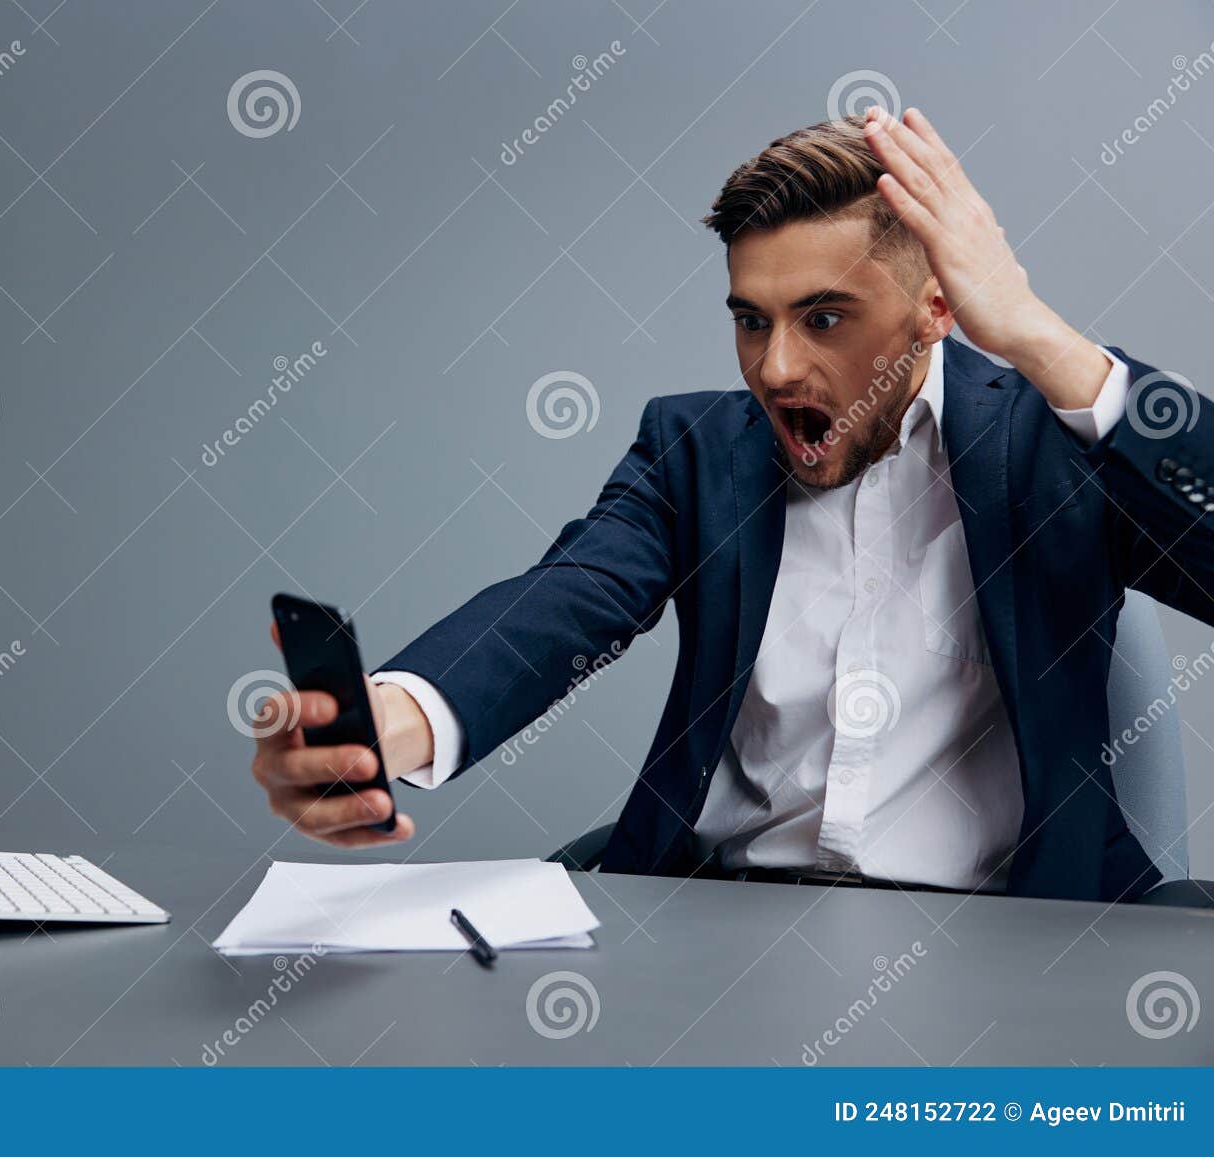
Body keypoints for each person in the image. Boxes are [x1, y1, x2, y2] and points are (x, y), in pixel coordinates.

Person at [250, 106, 1213, 907]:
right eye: (751, 320)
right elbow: (560, 605)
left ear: (936, 310)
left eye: (824, 318)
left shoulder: (1060, 442)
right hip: (724, 921)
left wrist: (1045, 341)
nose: (777, 366)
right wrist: (389, 721)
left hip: (1012, 941)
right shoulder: (695, 451)